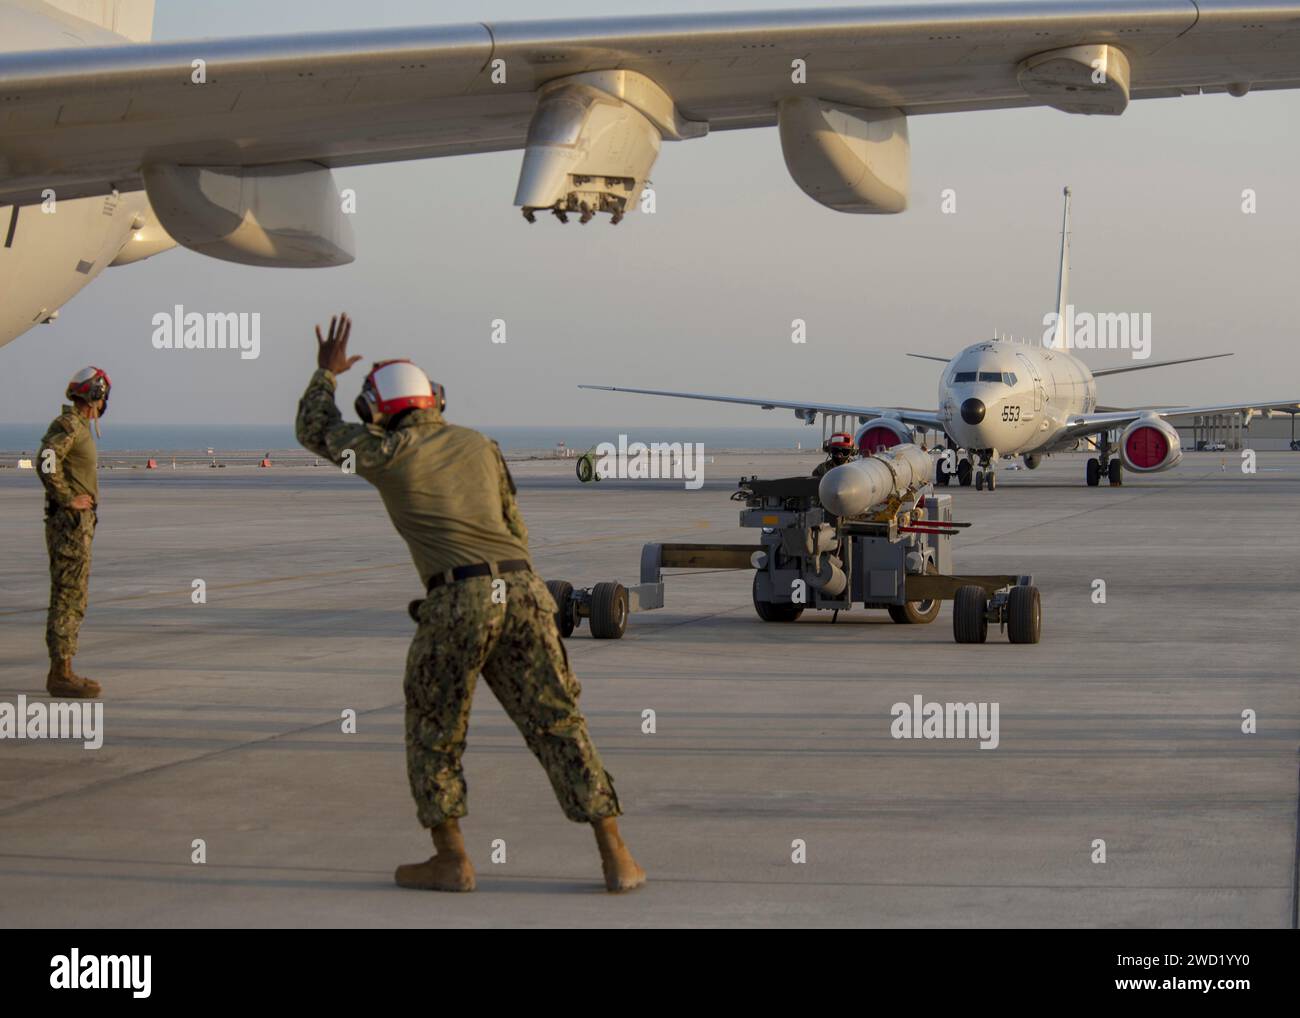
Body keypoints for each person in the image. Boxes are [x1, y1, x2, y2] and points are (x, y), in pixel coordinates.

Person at [295, 313, 644, 894]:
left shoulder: (383, 450)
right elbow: (515, 526)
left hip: (459, 596)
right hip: (525, 590)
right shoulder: (482, 445)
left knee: (435, 725)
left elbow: (315, 431)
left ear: (377, 411)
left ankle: (451, 859)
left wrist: (324, 375)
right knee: (557, 722)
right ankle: (617, 856)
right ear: (435, 400)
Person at [38, 367, 111, 699]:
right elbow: (46, 460)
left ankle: (63, 669)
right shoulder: (70, 425)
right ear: (94, 396)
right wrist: (68, 499)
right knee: (69, 596)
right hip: (69, 525)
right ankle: (61, 674)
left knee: (72, 595)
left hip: (77, 525)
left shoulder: (80, 427)